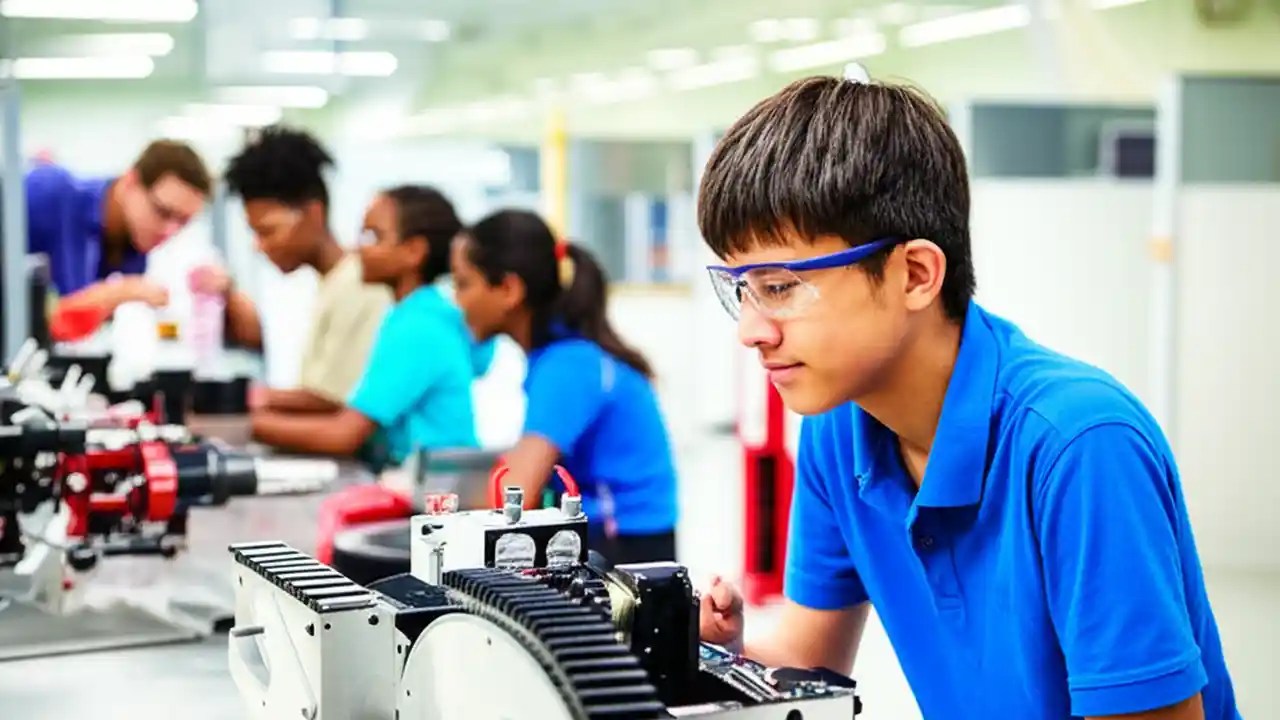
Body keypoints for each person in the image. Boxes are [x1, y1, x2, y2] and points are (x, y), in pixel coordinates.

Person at [694, 76, 1240, 720]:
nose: (750, 330)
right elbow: (811, 656)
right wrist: (717, 651)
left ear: (916, 275)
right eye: (741, 289)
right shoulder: (840, 428)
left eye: (780, 286)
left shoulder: (1078, 446)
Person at [449, 209, 679, 565]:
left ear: (508, 289)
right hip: (621, 537)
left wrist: (437, 510)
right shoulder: (564, 356)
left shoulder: (568, 365)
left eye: (463, 284)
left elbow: (513, 496)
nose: (457, 301)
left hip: (625, 549)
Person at [251, 185, 489, 468]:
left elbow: (343, 435)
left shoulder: (419, 327)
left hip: (439, 494)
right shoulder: (416, 313)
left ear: (413, 251)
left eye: (373, 236)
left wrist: (247, 425)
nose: (358, 248)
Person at [215, 125, 391, 413]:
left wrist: (242, 401)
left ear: (314, 214)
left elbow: (334, 401)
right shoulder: (331, 283)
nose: (259, 246)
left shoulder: (360, 284)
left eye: (268, 231)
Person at [25, 140, 212, 318]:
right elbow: (51, 321)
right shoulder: (49, 195)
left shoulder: (133, 242)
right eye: (162, 212)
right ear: (130, 182)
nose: (169, 231)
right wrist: (121, 292)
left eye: (183, 222)